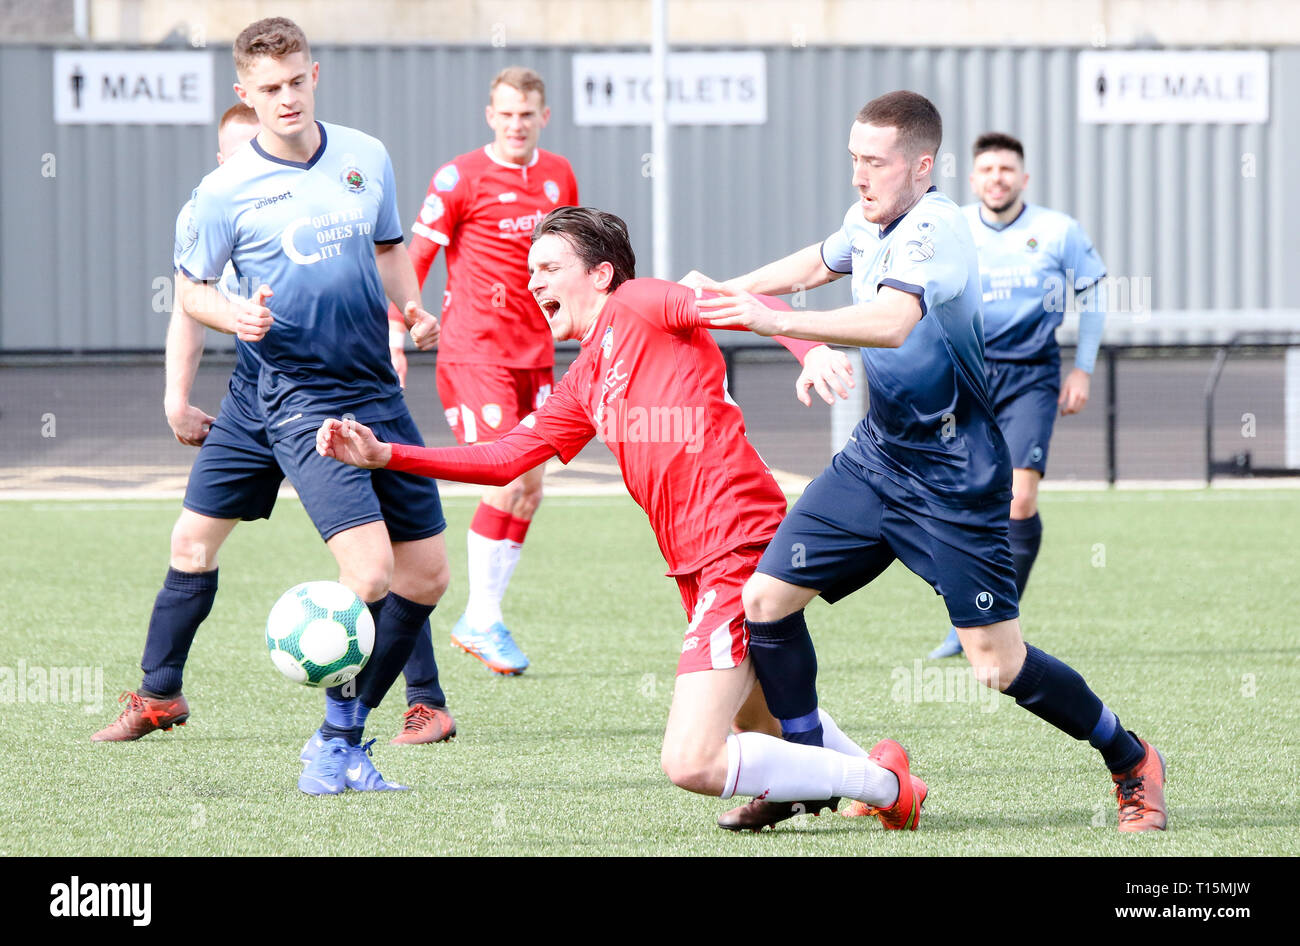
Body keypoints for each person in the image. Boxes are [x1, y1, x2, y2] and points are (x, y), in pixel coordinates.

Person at [319, 206, 924, 830]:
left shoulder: (639, 301)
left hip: (737, 543)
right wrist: (387, 455)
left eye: (550, 268)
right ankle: (883, 778)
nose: (534, 282)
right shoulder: (583, 379)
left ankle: (878, 783)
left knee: (691, 761)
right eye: (531, 271)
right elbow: (504, 459)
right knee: (756, 719)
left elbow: (727, 299)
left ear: (603, 274)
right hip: (695, 561)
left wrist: (809, 349)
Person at [689, 91, 1165, 832]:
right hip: (877, 461)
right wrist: (729, 289)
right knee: (764, 604)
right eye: (853, 159)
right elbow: (818, 261)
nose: (859, 175)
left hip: (954, 477)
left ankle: (1130, 757)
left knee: (995, 665)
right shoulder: (867, 219)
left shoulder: (935, 229)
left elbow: (890, 320)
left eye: (873, 162)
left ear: (921, 165)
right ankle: (810, 774)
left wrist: (768, 319)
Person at [174, 16, 450, 796]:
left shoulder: (367, 156)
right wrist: (237, 316)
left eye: (296, 81)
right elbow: (192, 291)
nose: (286, 98)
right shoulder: (224, 191)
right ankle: (333, 742)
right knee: (367, 574)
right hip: (300, 397)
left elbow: (390, 247)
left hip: (378, 388)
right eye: (268, 89)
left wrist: (413, 309)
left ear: (314, 74)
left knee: (425, 576)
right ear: (244, 94)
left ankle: (343, 739)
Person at [390, 67, 579, 687]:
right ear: (489, 115)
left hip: (536, 354)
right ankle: (479, 616)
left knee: (530, 488)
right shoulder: (460, 176)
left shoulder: (559, 176)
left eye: (527, 114)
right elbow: (412, 259)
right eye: (506, 113)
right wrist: (399, 330)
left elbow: (573, 265)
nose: (516, 124)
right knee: (505, 473)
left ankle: (483, 617)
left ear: (542, 117)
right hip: (475, 352)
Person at [92, 104, 269, 742]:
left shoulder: (315, 193)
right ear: (221, 160)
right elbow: (190, 308)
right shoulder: (202, 212)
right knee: (190, 544)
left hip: (324, 392)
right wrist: (175, 397)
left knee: (383, 559)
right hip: (251, 397)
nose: (256, 158)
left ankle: (424, 699)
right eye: (240, 150)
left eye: (265, 146)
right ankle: (159, 695)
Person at [927, 132, 1107, 659]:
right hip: (965, 375)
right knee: (963, 500)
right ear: (974, 178)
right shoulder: (950, 227)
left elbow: (1094, 294)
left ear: (1023, 179)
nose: (997, 179)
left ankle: (999, 618)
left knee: (1019, 498)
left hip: (1031, 374)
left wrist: (1084, 369)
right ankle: (970, 615)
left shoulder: (1057, 230)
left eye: (1007, 170)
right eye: (987, 170)